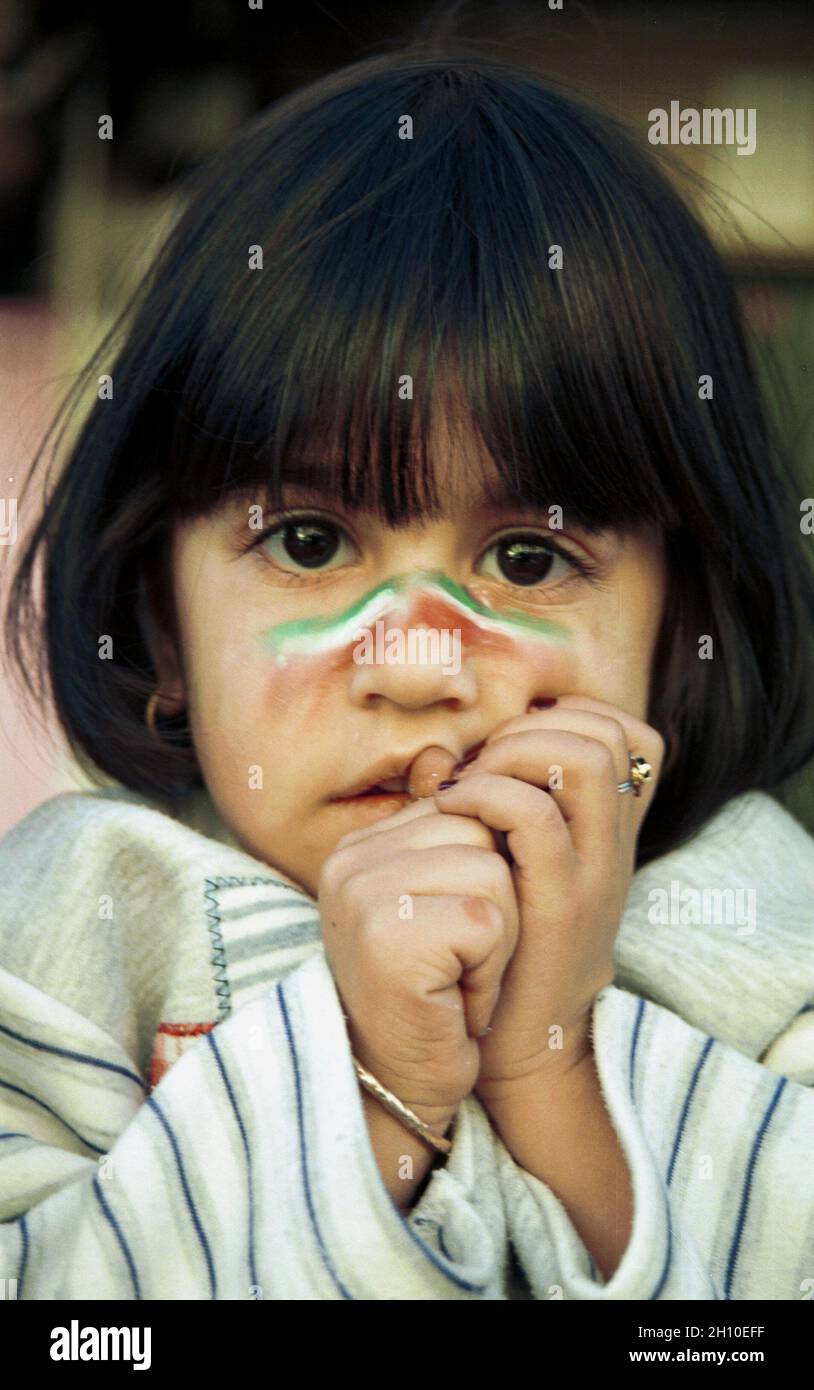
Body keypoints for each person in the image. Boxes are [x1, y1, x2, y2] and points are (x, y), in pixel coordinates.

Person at [2, 45, 814, 1301]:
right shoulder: (76, 929)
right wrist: (374, 1096)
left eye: (530, 556)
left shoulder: (766, 929)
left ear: (677, 628)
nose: (420, 664)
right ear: (164, 632)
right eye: (310, 543)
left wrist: (550, 1077)